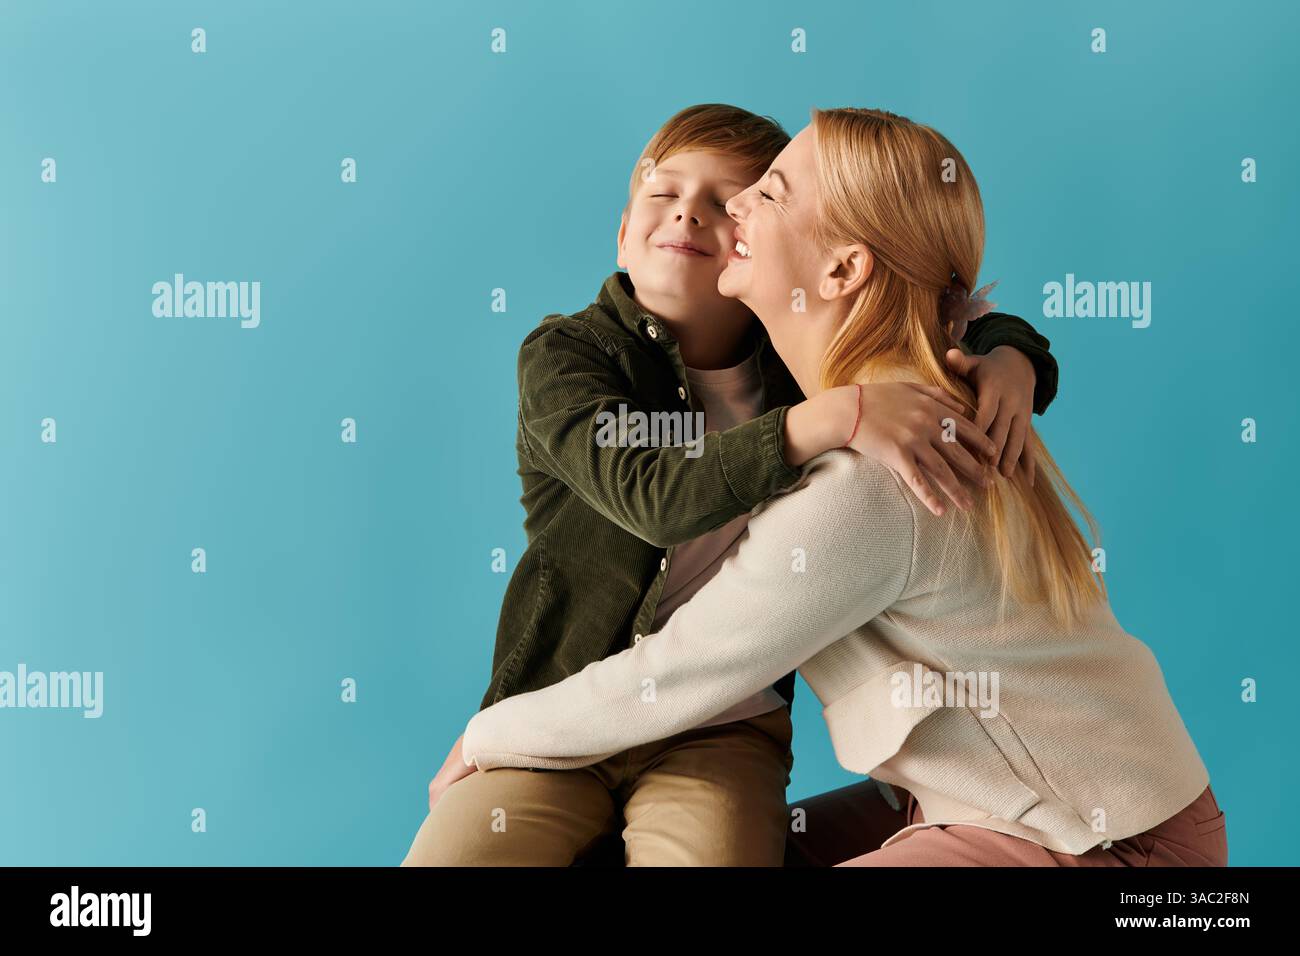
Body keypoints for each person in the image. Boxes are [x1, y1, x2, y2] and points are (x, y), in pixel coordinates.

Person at [445, 107, 1226, 867]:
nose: (733, 206)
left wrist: (483, 737)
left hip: (1105, 838)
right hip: (987, 796)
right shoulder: (894, 398)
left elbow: (679, 672)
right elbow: (951, 300)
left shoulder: (867, 480)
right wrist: (1012, 353)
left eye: (766, 192)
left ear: (843, 269)